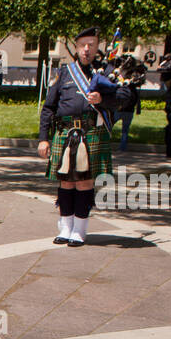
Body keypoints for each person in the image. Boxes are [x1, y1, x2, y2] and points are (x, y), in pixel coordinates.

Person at [37, 26, 120, 247]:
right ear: (76, 47)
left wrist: (101, 100)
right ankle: (65, 227)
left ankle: (80, 231)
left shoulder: (105, 73)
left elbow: (122, 100)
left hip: (91, 132)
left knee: (84, 183)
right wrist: (43, 138)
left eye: (91, 45)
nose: (86, 49)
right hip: (65, 133)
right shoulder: (64, 73)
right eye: (83, 45)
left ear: (97, 47)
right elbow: (48, 108)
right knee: (66, 183)